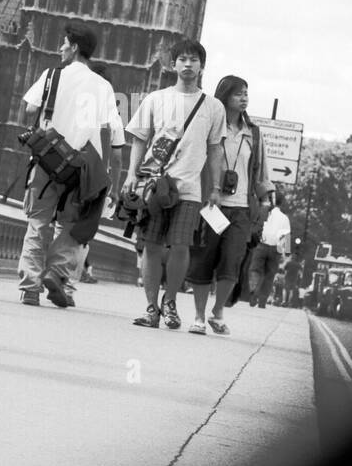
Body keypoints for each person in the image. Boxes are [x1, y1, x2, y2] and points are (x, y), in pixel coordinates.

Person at [15, 20, 123, 307]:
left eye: (64, 43)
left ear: (74, 48)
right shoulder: (103, 86)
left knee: (38, 222)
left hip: (46, 162)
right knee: (72, 227)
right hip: (82, 169)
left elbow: (29, 108)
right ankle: (55, 272)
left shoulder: (52, 75)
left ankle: (30, 287)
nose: (60, 48)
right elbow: (112, 131)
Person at [123, 38, 227, 330]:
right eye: (182, 59)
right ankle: (151, 307)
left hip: (190, 188)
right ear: (173, 64)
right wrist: (132, 175)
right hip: (156, 185)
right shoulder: (156, 99)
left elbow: (216, 149)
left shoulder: (213, 107)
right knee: (152, 247)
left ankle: (170, 302)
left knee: (181, 246)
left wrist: (216, 188)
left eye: (194, 60)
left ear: (202, 66)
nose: (188, 64)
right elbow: (139, 139)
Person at [186, 74, 271, 336]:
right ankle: (199, 317)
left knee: (233, 262)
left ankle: (218, 311)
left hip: (241, 208)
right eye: (238, 93)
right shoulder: (211, 126)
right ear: (224, 96)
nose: (244, 97)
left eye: (246, 93)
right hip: (211, 205)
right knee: (204, 261)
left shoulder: (253, 133)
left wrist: (266, 199)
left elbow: (261, 172)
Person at [249, 193, 291, 307]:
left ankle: (253, 291)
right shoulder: (284, 218)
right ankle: (262, 301)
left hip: (261, 245)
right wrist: (285, 253)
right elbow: (286, 236)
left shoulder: (263, 213)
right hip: (275, 248)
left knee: (255, 270)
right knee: (269, 275)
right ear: (281, 203)